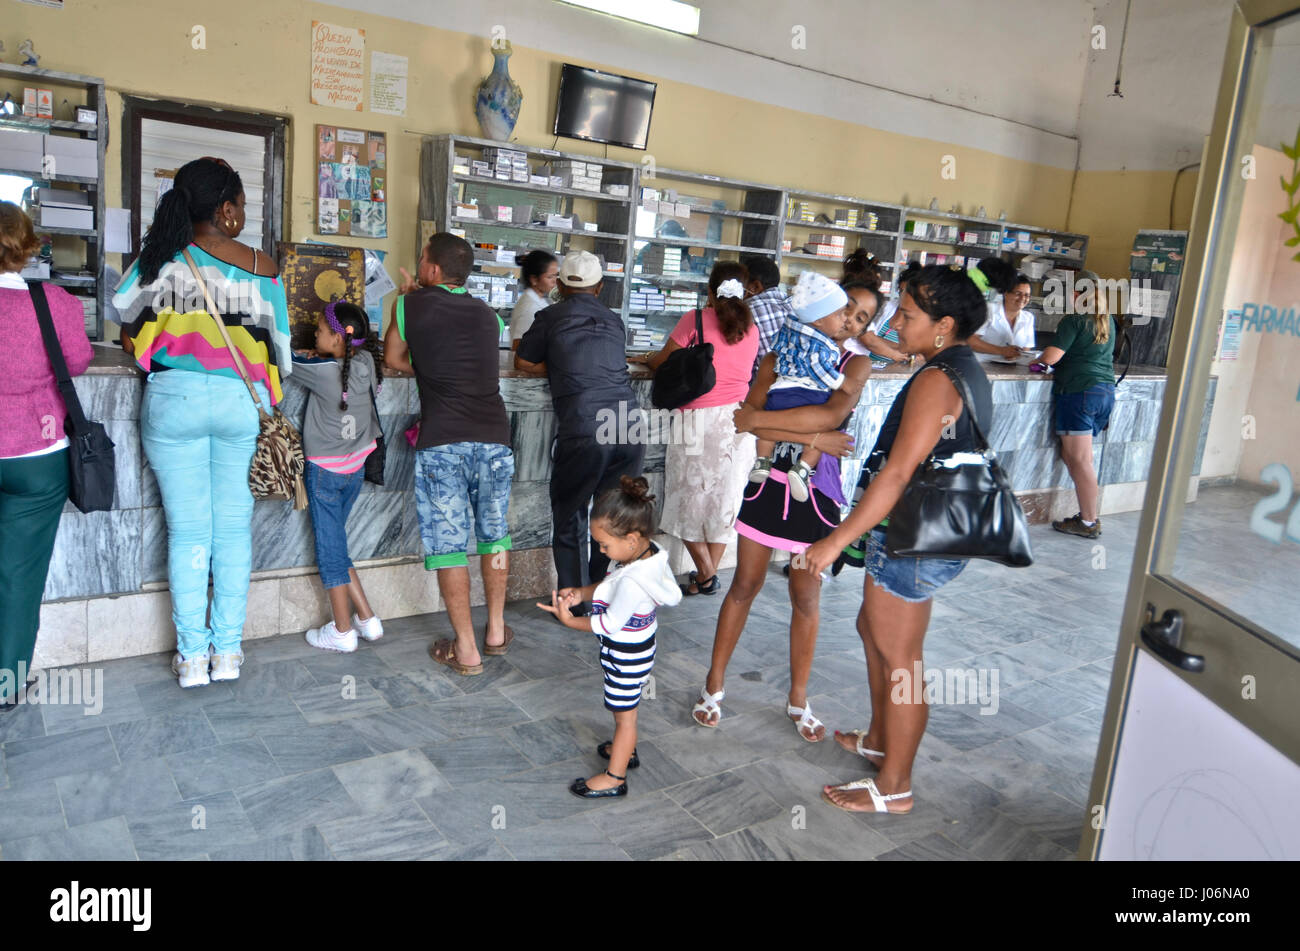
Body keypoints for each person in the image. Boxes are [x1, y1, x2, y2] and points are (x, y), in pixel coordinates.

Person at [801, 264, 994, 815]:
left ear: (943, 324)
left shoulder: (938, 379)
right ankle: (882, 741)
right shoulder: (955, 366)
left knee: (901, 660)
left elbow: (898, 473)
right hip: (922, 528)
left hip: (915, 533)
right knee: (874, 631)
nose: (895, 324)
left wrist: (835, 541)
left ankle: (895, 786)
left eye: (907, 315)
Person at [114, 157, 290, 688]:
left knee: (187, 531)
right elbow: (279, 355)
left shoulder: (158, 260)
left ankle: (192, 658)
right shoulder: (261, 266)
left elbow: (128, 332)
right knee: (232, 530)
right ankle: (228, 652)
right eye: (242, 205)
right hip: (239, 405)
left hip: (174, 402)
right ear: (227, 209)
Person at [695, 282, 876, 742]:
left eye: (860, 317)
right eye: (846, 309)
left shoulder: (856, 364)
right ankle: (714, 684)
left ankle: (798, 697)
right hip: (767, 485)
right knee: (744, 586)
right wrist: (813, 440)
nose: (849, 320)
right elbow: (746, 415)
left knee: (805, 598)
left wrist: (772, 426)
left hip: (814, 495)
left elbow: (829, 418)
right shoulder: (778, 357)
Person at [385, 233, 514, 674]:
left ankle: (467, 649)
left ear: (433, 269)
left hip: (443, 443)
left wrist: (405, 304)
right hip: (495, 439)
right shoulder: (490, 316)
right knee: (495, 537)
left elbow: (392, 359)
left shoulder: (409, 305)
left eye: (422, 258)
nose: (419, 263)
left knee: (449, 546)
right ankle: (495, 630)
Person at [0, 202, 93, 710]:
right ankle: (6, 683)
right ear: (29, 246)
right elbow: (77, 359)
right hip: (35, 456)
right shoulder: (52, 302)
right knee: (18, 576)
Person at [538, 476, 681, 799]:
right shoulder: (645, 555)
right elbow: (609, 586)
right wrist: (581, 593)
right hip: (637, 651)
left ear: (631, 539)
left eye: (604, 545)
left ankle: (615, 777)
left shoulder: (634, 581)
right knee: (624, 711)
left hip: (626, 657)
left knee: (624, 717)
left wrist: (569, 620)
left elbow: (609, 623)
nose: (602, 551)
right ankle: (624, 749)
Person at [515, 250, 645, 595]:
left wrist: (563, 366)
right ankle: (599, 593)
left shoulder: (550, 316)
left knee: (571, 514)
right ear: (599, 287)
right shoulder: (614, 320)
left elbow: (523, 362)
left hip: (585, 426)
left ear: (559, 286)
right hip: (629, 425)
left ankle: (574, 600)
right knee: (612, 518)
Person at [632, 261, 759, 596]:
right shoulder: (752, 327)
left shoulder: (696, 319)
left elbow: (663, 361)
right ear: (746, 291)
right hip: (740, 423)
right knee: (723, 503)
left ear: (710, 291)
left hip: (698, 422)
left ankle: (706, 573)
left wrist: (647, 357)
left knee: (685, 500)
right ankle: (706, 577)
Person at [292, 301, 385, 652]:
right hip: (355, 469)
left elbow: (282, 360)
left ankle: (343, 631)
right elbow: (335, 362)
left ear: (336, 338)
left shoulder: (323, 372)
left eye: (319, 330)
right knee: (338, 544)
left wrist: (309, 356)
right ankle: (367, 619)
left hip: (325, 473)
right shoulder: (366, 361)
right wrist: (322, 354)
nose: (315, 334)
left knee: (330, 551)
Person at [748, 270, 850, 504]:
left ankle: (762, 460)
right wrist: (843, 383)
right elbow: (822, 377)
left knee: (767, 418)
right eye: (840, 314)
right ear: (819, 320)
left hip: (778, 392)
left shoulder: (790, 332)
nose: (846, 319)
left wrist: (757, 420)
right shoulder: (821, 347)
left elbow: (752, 421)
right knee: (822, 430)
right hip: (809, 396)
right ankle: (803, 467)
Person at [1036, 269, 1117, 539]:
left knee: (1080, 460)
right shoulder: (1106, 319)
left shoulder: (1074, 319)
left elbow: (1051, 357)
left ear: (1075, 293)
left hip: (1079, 391)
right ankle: (1086, 518)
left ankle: (1089, 522)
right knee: (1078, 457)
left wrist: (1037, 360)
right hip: (1103, 392)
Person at [843, 250, 908, 366]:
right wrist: (895, 355)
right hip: (847, 361)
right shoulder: (860, 303)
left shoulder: (844, 296)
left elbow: (872, 339)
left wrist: (900, 348)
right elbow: (869, 340)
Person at [739, 253, 793, 373]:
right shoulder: (793, 304)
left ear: (755, 287)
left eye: (741, 285)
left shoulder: (747, 311)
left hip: (762, 379)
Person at [970, 271, 1037, 362]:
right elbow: (970, 340)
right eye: (1018, 293)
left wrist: (1018, 356)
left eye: (1027, 295)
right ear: (1006, 293)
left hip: (1011, 367)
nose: (1022, 298)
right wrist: (1002, 351)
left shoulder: (1028, 317)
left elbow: (1026, 348)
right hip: (981, 364)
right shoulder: (989, 310)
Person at [508, 249, 558, 347]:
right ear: (534, 279)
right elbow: (518, 346)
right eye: (549, 277)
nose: (554, 281)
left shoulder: (537, 300)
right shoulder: (530, 307)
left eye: (556, 275)